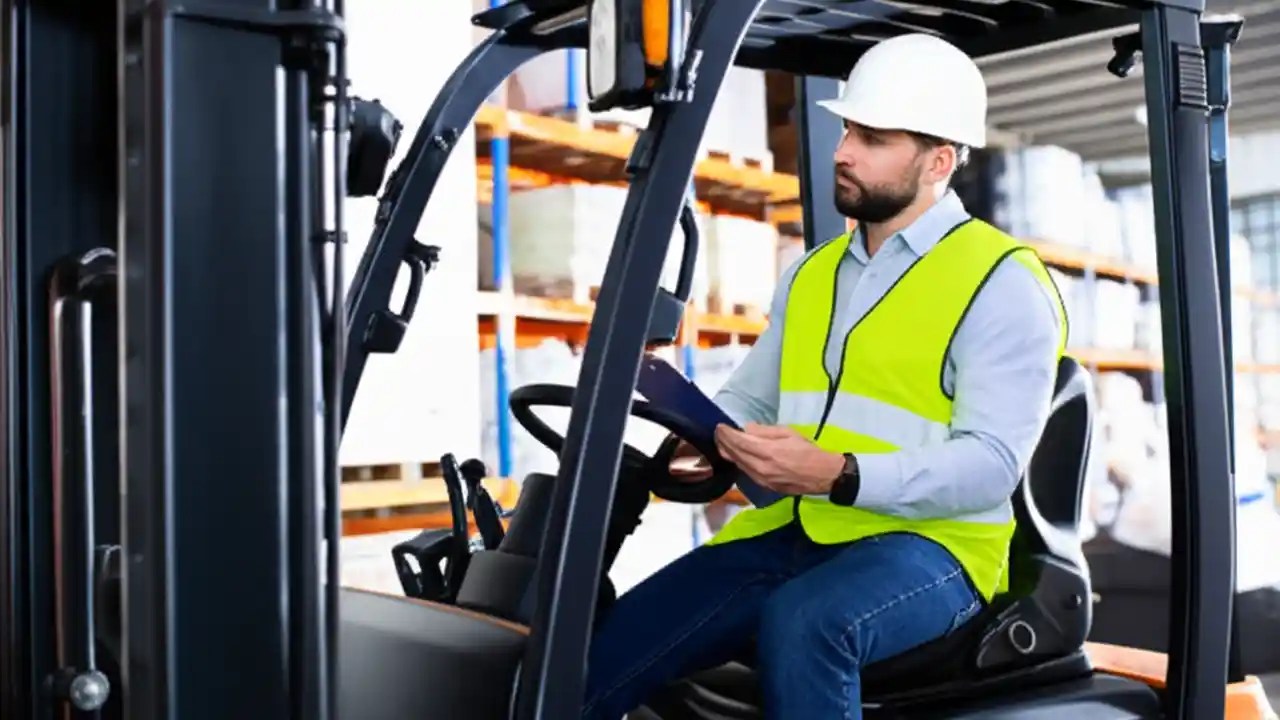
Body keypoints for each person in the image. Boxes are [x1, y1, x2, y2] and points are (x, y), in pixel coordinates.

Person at [582, 32, 1068, 720]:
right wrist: (704, 435)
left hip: (936, 548)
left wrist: (839, 474)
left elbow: (991, 465)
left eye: (871, 137)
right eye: (846, 130)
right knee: (610, 647)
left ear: (939, 161)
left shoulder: (1000, 281)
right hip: (799, 527)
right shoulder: (813, 274)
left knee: (809, 622)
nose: (842, 150)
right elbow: (751, 393)